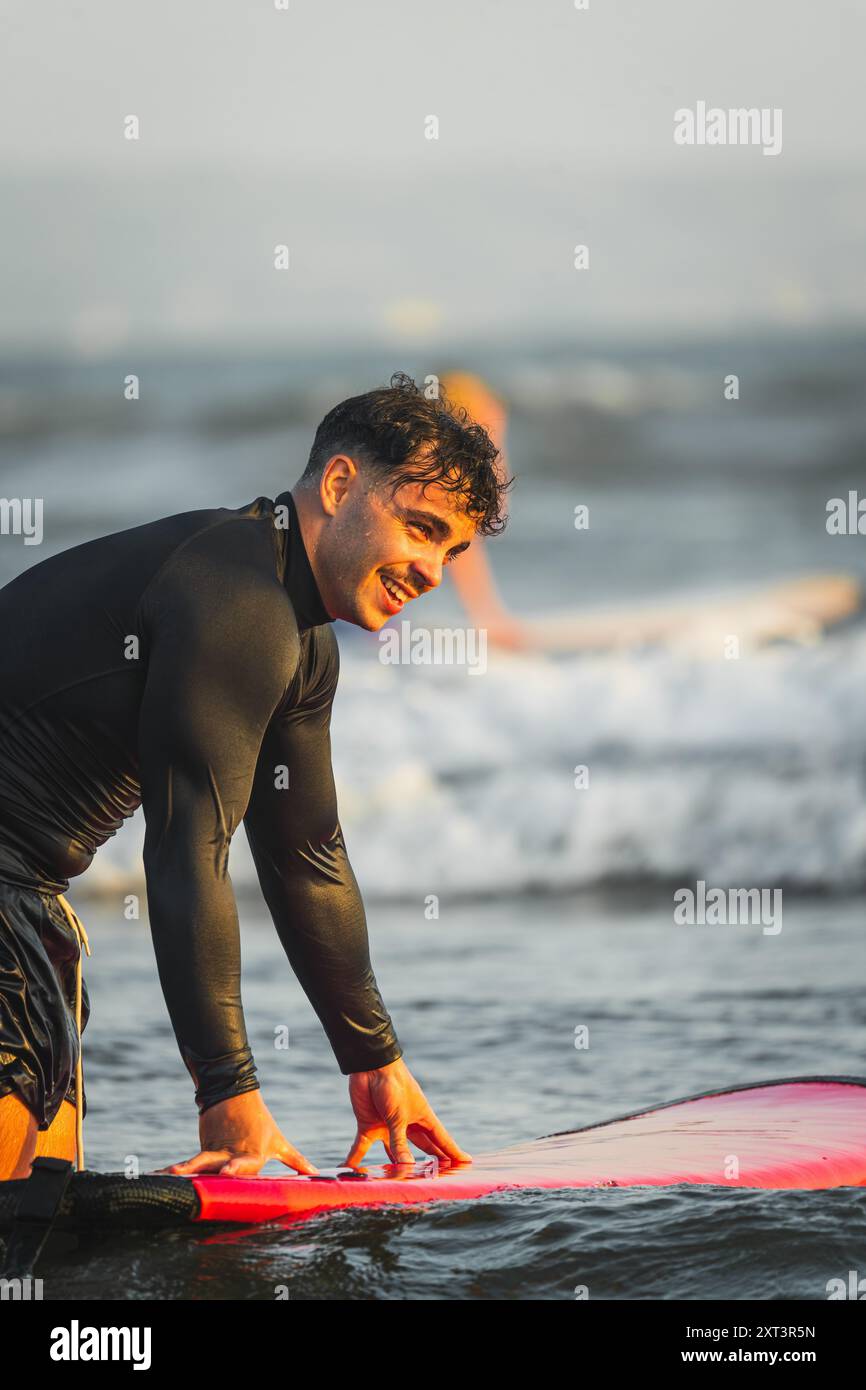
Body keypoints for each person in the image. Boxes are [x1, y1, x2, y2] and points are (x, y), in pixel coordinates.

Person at [0, 372, 511, 1182]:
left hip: (26, 900)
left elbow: (307, 855)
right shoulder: (235, 598)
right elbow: (187, 847)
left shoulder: (300, 639)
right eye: (419, 528)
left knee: (35, 1217)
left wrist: (374, 1060)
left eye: (450, 550)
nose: (433, 572)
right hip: (6, 894)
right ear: (341, 485)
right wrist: (229, 1096)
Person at [436, 371, 534, 651]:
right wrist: (488, 618)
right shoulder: (456, 472)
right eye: (489, 410)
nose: (500, 414)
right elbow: (462, 550)